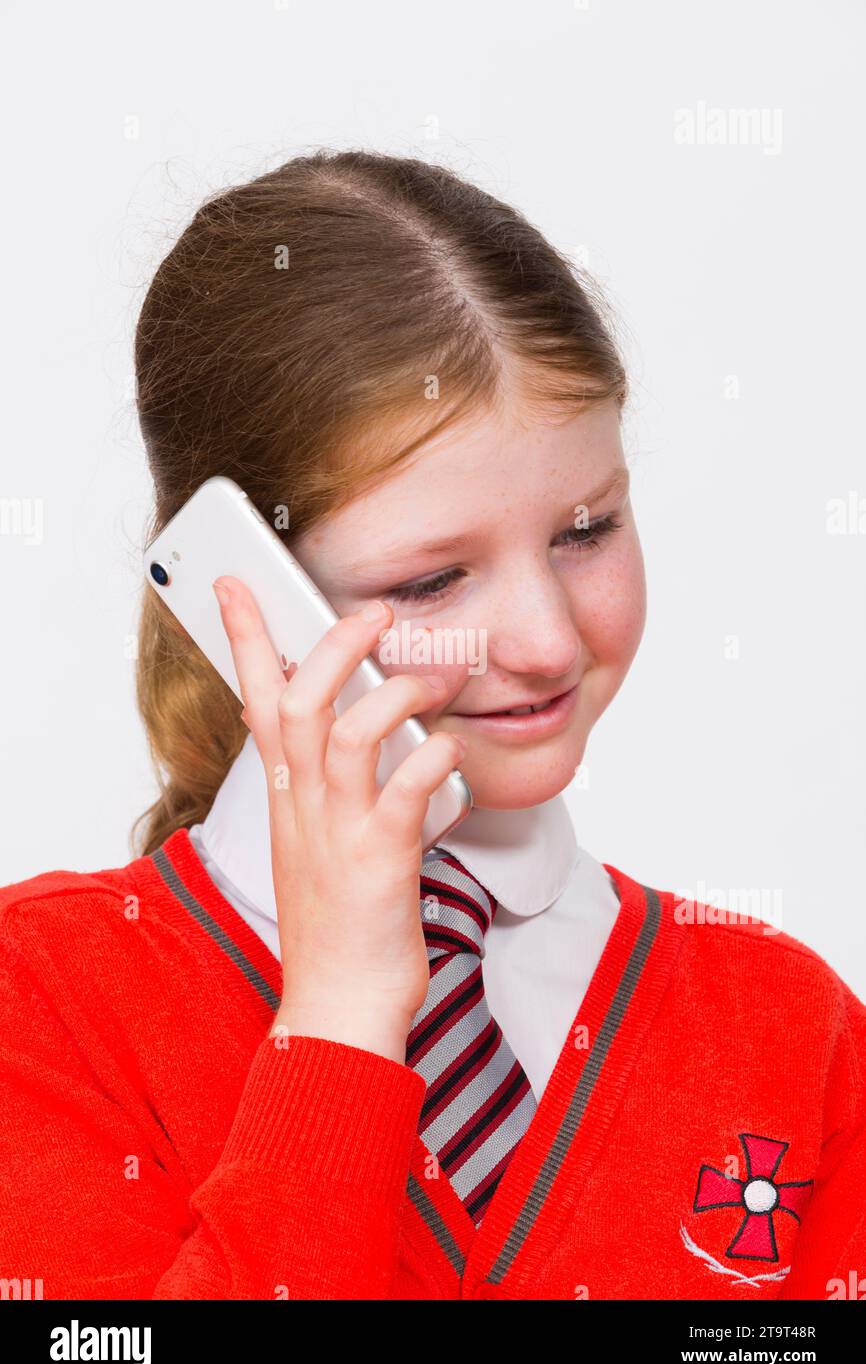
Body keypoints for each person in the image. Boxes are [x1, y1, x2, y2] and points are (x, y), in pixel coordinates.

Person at [0, 150, 863, 1302]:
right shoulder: (43, 1004)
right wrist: (343, 1023)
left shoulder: (786, 1027)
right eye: (429, 582)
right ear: (238, 592)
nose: (546, 642)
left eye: (585, 528)